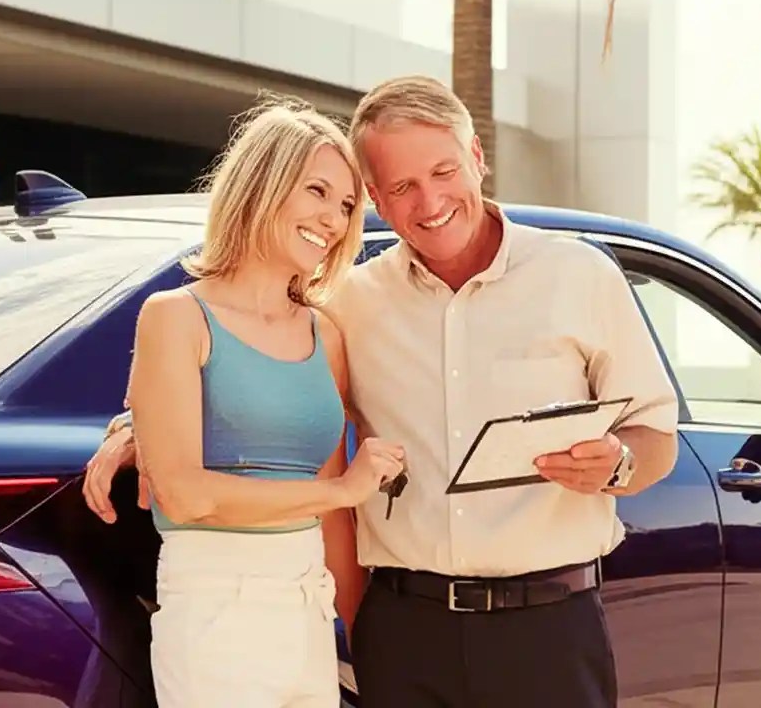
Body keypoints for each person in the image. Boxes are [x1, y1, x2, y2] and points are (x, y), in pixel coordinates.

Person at [84, 75, 680, 708]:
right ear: (379, 201)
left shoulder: (580, 275)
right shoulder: (348, 305)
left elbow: (655, 437)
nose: (429, 202)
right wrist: (132, 431)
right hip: (404, 631)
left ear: (476, 158)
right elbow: (245, 370)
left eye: (444, 171)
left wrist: (620, 463)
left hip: (550, 628)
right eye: (401, 187)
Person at [90, 94, 407, 707]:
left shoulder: (327, 335)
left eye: (345, 205)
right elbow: (185, 493)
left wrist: (363, 639)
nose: (335, 220)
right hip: (214, 607)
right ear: (262, 183)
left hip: (305, 603)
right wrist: (340, 492)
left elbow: (334, 510)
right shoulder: (177, 317)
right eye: (316, 192)